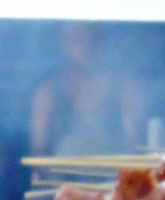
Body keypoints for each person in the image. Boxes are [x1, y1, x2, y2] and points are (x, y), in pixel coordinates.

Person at [30, 23, 146, 158]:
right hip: (60, 177)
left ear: (100, 42)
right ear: (65, 44)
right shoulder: (47, 93)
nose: (84, 45)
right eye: (77, 38)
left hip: (111, 176)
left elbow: (134, 146)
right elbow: (39, 149)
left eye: (91, 38)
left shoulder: (124, 88)